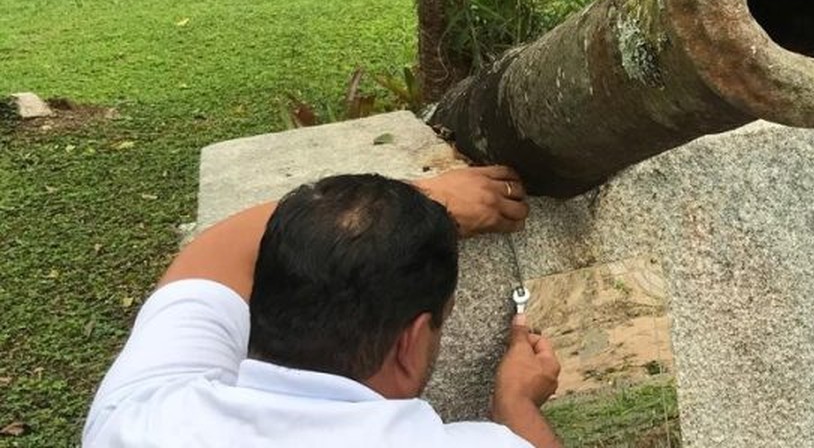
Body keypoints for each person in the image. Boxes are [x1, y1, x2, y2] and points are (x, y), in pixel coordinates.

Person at [83, 166, 563, 448]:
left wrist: (431, 196)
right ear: (410, 342)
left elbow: (213, 256)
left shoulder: (136, 422)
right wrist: (516, 404)